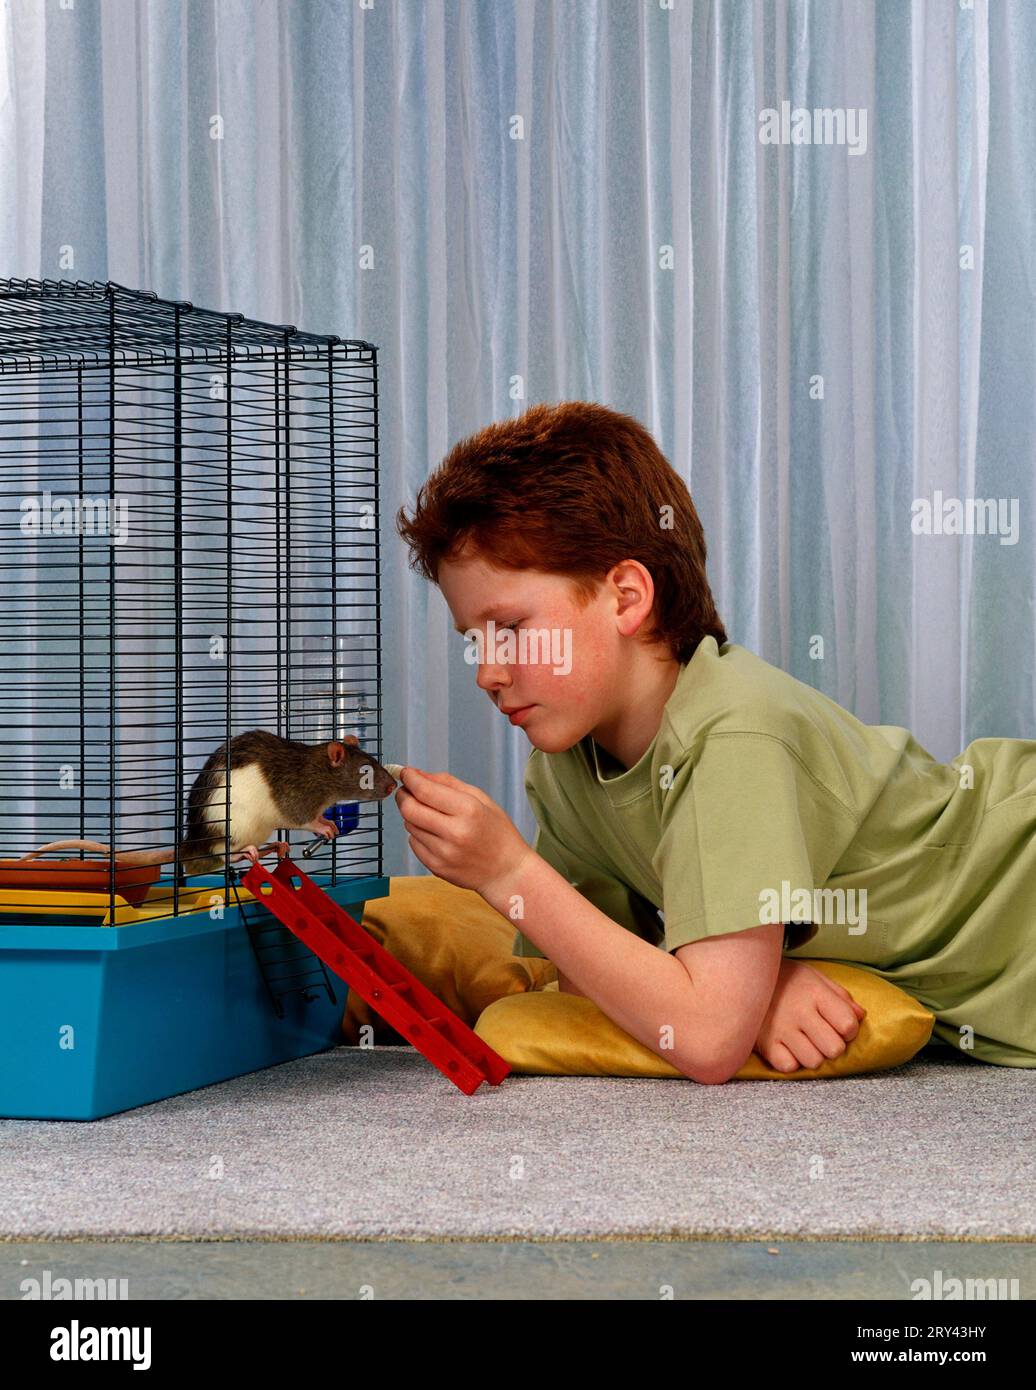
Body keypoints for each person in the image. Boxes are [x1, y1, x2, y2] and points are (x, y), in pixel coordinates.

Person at [392, 400, 1036, 1082]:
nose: (487, 673)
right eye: (473, 642)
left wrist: (509, 873)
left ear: (626, 597)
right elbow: (588, 984)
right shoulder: (564, 765)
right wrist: (751, 983)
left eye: (511, 629)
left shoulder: (734, 731)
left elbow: (704, 1040)